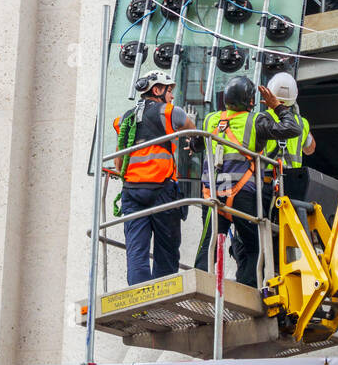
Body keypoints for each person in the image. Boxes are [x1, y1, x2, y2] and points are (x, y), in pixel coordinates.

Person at [194, 74, 299, 287]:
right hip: (242, 194)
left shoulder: (210, 119)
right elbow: (292, 129)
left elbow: (198, 143)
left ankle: (197, 292)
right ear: (251, 101)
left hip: (212, 192)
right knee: (254, 248)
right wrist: (277, 106)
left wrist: (194, 146)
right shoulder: (256, 120)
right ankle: (247, 292)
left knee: (209, 244)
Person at [112, 72, 195, 285]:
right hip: (162, 190)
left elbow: (119, 163)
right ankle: (164, 306)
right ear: (157, 90)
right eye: (169, 91)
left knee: (136, 251)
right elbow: (193, 131)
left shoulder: (125, 119)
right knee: (166, 251)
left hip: (132, 192)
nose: (172, 97)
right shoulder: (170, 113)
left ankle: (140, 304)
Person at [261, 71, 315, 206]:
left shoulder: (259, 119)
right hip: (294, 183)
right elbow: (310, 149)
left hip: (266, 181)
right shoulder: (302, 123)